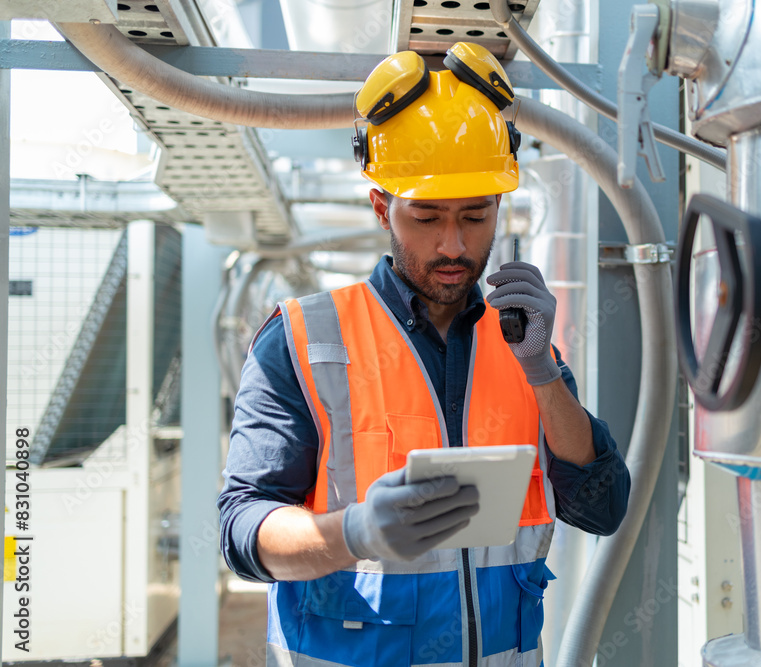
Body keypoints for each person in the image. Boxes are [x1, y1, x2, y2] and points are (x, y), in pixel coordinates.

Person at [217, 42, 630, 667]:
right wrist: (352, 533)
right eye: (426, 217)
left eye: (475, 215)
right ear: (383, 205)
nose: (453, 245)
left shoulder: (521, 339)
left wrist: (544, 374)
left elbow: (601, 507)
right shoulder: (301, 338)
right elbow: (243, 532)